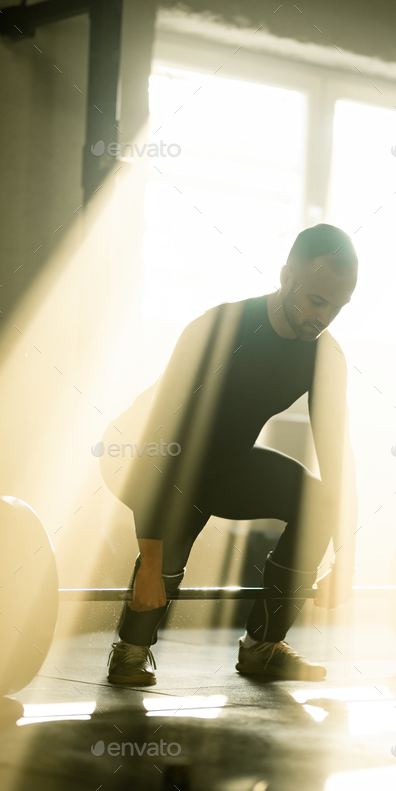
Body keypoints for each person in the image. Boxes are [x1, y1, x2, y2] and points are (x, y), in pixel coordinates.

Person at [105, 223, 359, 685]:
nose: (323, 317)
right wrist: (151, 561)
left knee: (318, 500)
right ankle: (131, 649)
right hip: (138, 454)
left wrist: (346, 558)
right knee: (169, 542)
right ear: (285, 277)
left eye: (337, 307)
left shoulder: (325, 357)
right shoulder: (216, 329)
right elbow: (156, 444)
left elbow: (338, 460)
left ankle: (262, 647)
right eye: (316, 300)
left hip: (223, 461)